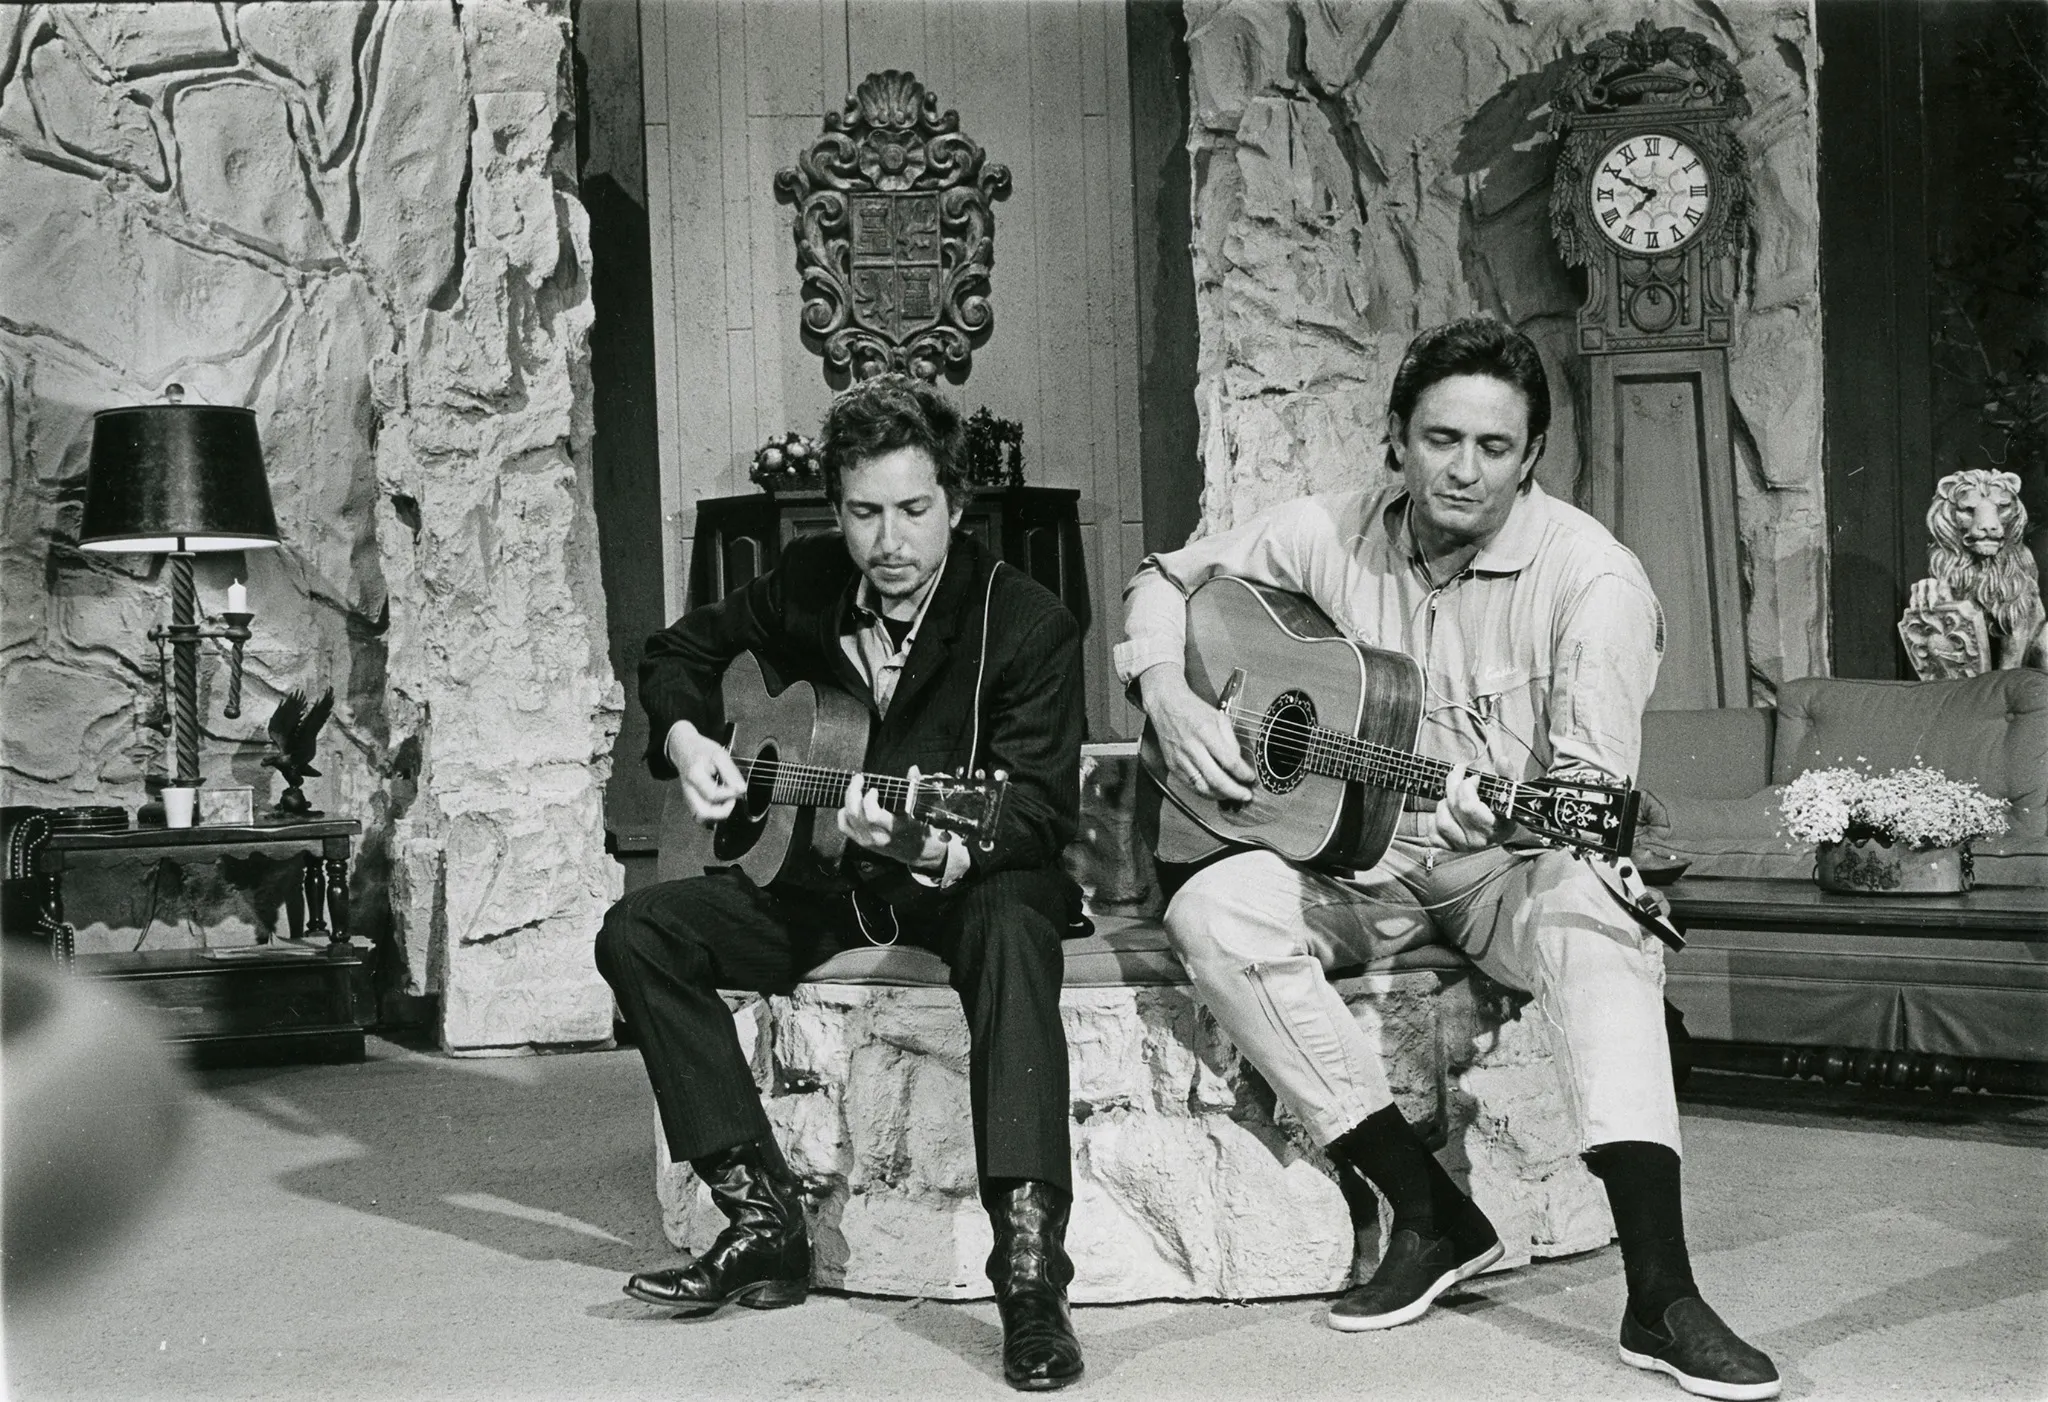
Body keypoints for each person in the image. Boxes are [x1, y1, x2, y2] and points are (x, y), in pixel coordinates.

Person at [1117, 318, 1780, 1401]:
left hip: (1503, 869)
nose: (1461, 468)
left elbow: (1588, 797)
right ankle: (1427, 1213)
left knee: (1598, 920)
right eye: (1438, 439)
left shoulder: (1592, 582)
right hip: (1354, 864)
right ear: (1395, 438)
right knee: (1211, 914)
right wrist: (1169, 691)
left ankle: (1660, 1294)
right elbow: (1164, 578)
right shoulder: (1327, 529)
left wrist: (1507, 824)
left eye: (1490, 446)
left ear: (1530, 457)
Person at [597, 374, 1087, 1392]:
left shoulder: (1027, 622)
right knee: (637, 932)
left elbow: (1037, 808)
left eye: (914, 510)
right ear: (837, 511)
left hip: (968, 879)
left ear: (954, 503)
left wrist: (940, 842)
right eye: (864, 513)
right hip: (820, 882)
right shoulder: (811, 580)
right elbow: (678, 651)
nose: (889, 542)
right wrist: (690, 740)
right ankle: (766, 1219)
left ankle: (1030, 1276)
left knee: (1009, 925)